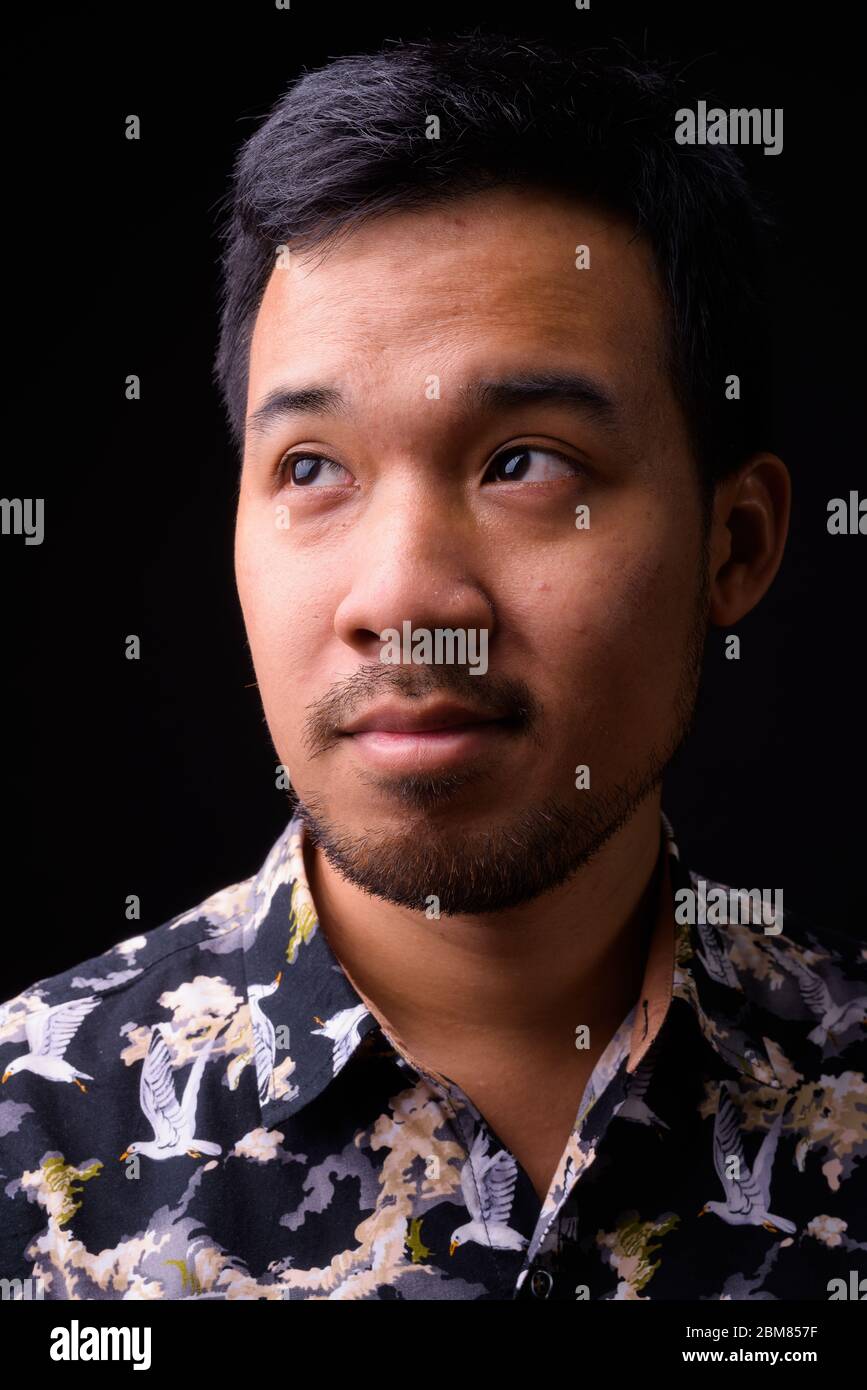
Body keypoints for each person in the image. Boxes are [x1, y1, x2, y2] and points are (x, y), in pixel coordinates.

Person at [2, 32, 864, 1302]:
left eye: (526, 462)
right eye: (313, 468)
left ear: (733, 545)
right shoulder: (32, 1131)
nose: (403, 597)